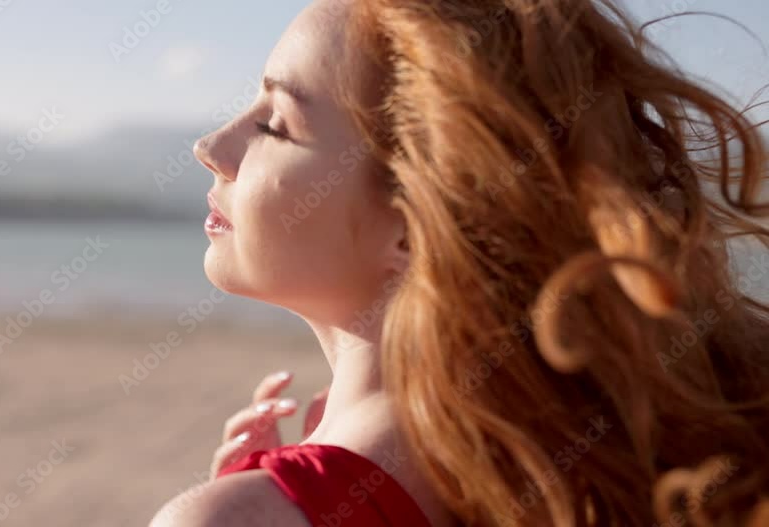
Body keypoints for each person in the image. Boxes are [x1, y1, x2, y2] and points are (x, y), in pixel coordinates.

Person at [152, 0, 769, 525]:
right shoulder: (576, 468)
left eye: (275, 125)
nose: (211, 147)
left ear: (414, 222)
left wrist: (254, 504)